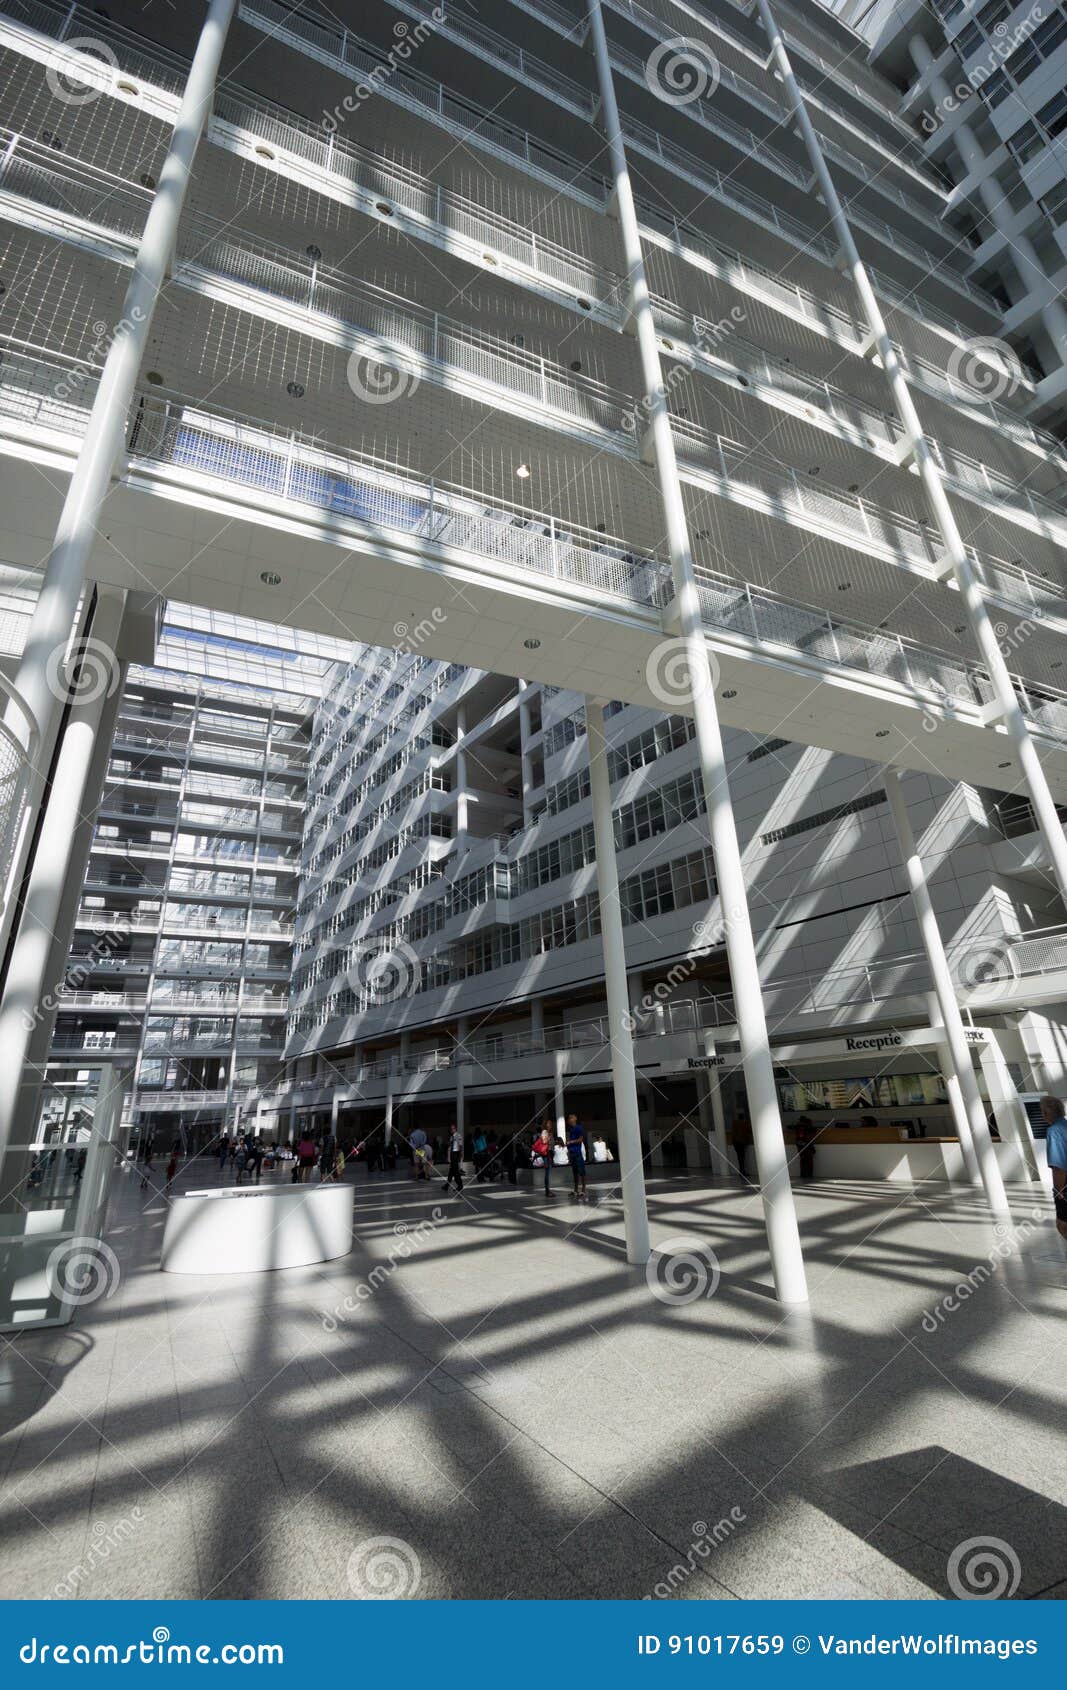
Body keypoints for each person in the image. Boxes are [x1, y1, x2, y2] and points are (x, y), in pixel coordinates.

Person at [1039, 1096, 1067, 1256]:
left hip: (1065, 1183)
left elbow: (1059, 1167)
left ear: (1046, 1113)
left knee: (1063, 1224)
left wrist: (1059, 1190)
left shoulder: (1053, 1131)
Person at [566, 1113, 587, 1201]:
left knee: (581, 1172)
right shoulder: (571, 1129)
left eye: (570, 1118)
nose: (569, 1120)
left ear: (574, 1119)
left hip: (578, 1153)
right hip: (572, 1153)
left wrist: (571, 1142)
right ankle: (575, 1190)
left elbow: (580, 1139)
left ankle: (583, 1190)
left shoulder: (579, 1128)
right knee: (575, 1172)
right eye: (568, 1118)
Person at [532, 1118, 554, 1196]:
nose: (550, 1125)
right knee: (547, 1173)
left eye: (551, 1124)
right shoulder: (545, 1132)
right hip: (546, 1155)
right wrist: (549, 1137)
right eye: (549, 1124)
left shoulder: (548, 1132)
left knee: (547, 1173)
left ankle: (548, 1190)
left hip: (548, 1154)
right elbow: (545, 1142)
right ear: (545, 1125)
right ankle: (547, 1191)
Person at [730, 1109, 753, 1183]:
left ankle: (741, 1171)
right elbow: (750, 1130)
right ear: (743, 1117)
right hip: (742, 1142)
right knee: (742, 1157)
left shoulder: (734, 1123)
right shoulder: (745, 1123)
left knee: (739, 1157)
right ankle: (742, 1172)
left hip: (735, 1142)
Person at [793, 1115, 816, 1181]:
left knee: (802, 1159)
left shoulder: (797, 1126)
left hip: (799, 1145)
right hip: (807, 1144)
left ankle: (803, 1174)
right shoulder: (807, 1126)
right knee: (809, 1160)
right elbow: (813, 1131)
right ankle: (809, 1174)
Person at [444, 1122, 464, 1194]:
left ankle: (459, 1185)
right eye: (451, 1129)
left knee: (455, 1171)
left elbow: (460, 1145)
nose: (452, 1130)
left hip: (456, 1154)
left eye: (453, 1128)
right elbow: (450, 1146)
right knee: (452, 1170)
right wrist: (448, 1156)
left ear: (455, 1129)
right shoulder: (451, 1137)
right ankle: (447, 1185)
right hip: (452, 1154)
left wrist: (460, 1154)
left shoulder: (458, 1136)